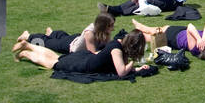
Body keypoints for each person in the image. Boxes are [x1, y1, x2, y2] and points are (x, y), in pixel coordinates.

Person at [15, 30, 148, 79]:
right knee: (53, 63)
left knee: (57, 58)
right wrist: (133, 63)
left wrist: (137, 69)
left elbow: (118, 66)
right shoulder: (117, 50)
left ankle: (28, 45)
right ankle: (27, 52)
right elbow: (121, 72)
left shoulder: (118, 44)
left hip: (86, 57)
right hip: (84, 64)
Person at [12, 13, 117, 59]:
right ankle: (28, 35)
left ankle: (52, 33)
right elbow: (92, 53)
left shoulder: (105, 31)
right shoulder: (90, 33)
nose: (113, 27)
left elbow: (107, 46)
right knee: (47, 43)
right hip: (70, 47)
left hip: (75, 38)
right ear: (103, 25)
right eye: (111, 25)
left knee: (63, 35)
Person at [133, 17, 205, 59]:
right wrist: (203, 39)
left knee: (152, 36)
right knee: (163, 28)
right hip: (182, 31)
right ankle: (142, 28)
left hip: (175, 38)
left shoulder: (195, 49)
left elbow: (190, 26)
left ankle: (135, 34)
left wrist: (199, 39)